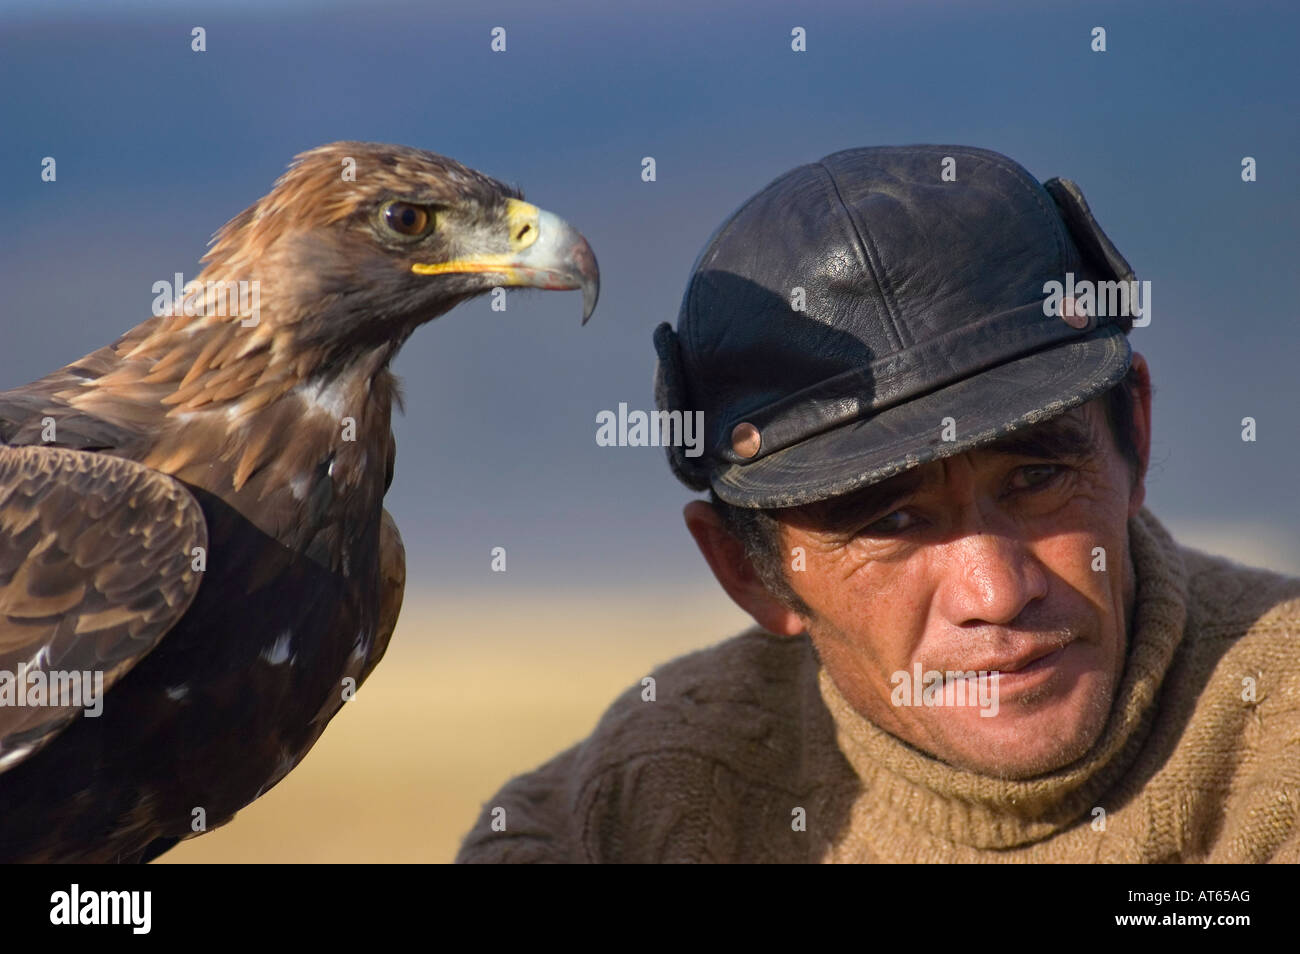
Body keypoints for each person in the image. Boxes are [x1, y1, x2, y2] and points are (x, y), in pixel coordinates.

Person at [456, 145, 1300, 863]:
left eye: (1037, 477)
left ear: (1135, 435)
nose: (997, 592)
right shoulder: (622, 818)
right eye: (890, 522)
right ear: (748, 573)